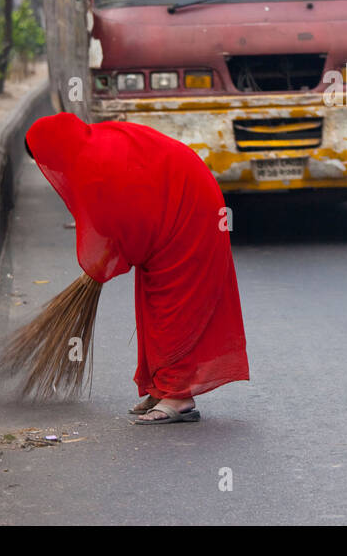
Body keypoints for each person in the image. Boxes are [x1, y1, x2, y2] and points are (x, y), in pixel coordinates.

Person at [24, 113, 250, 424]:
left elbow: (127, 222)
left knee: (175, 303)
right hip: (176, 203)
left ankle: (179, 397)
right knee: (154, 304)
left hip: (190, 211)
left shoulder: (95, 162)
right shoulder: (94, 144)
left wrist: (109, 259)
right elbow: (125, 210)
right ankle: (163, 388)